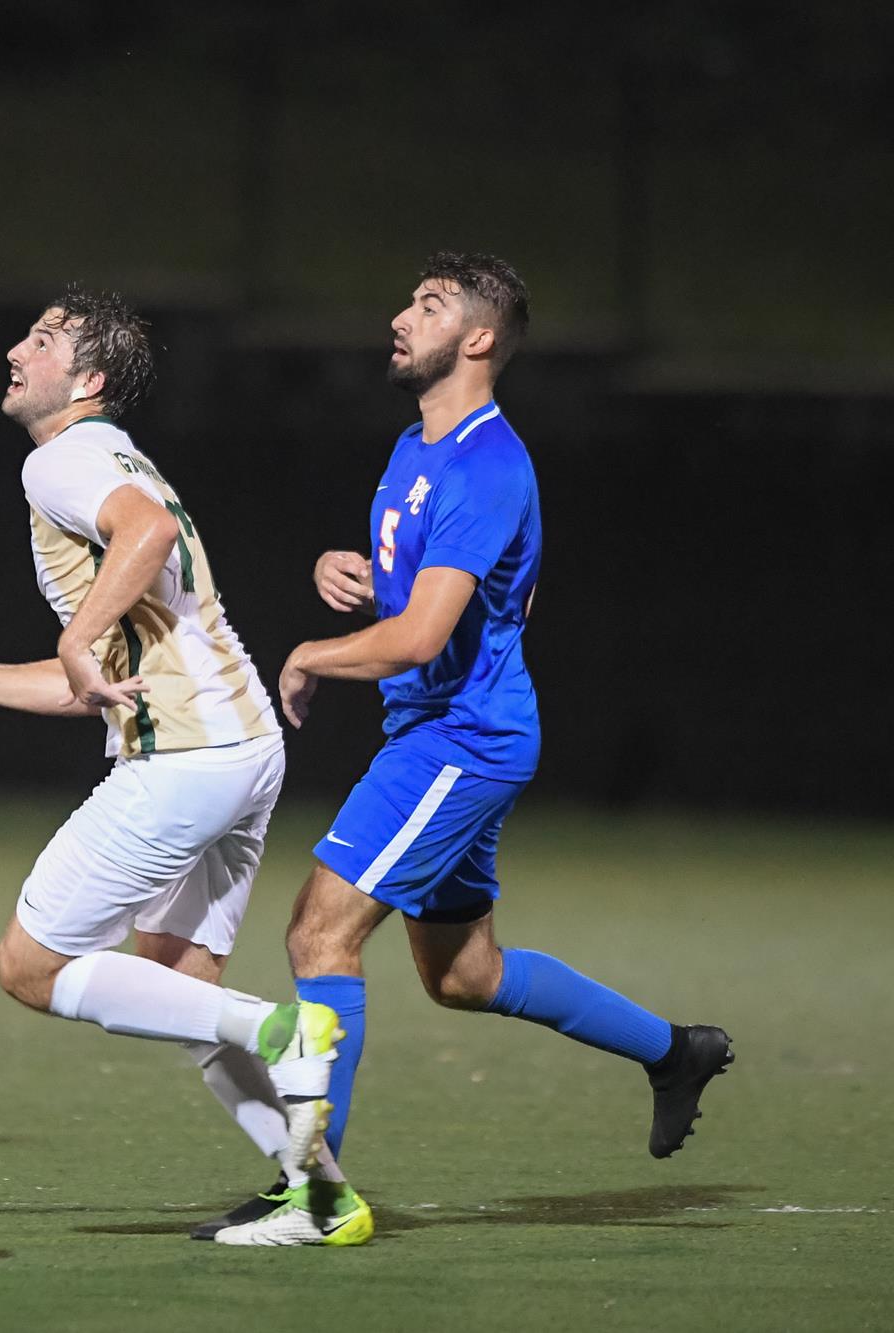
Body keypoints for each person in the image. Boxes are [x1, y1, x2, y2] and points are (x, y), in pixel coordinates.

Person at [222, 251, 732, 1245]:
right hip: (449, 731)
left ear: (480, 337)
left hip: (459, 734)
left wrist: (310, 654)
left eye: (425, 305)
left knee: (316, 933)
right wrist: (356, 570)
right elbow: (450, 597)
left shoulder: (487, 462)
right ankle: (675, 1050)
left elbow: (422, 639)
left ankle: (315, 1194)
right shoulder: (418, 447)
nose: (397, 318)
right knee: (462, 975)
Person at [0, 286, 355, 1246]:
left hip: (188, 757)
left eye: (46, 338)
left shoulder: (64, 459)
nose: (19, 347)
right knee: (182, 983)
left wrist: (79, 635)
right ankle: (318, 1195)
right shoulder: (107, 459)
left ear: (89, 379)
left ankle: (286, 1031)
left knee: (28, 966)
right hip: (242, 745)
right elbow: (95, 681)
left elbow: (138, 544)